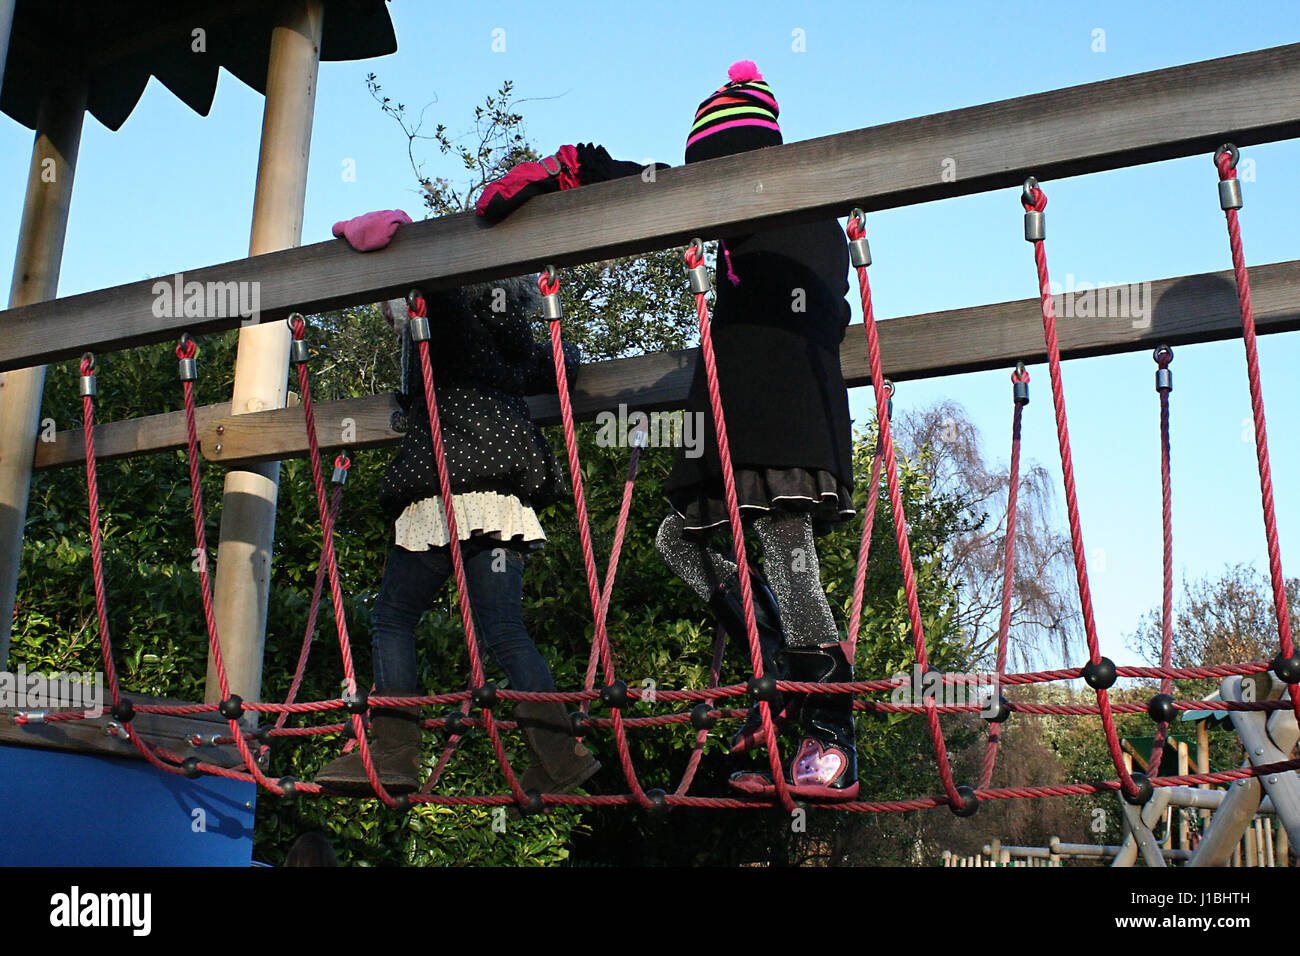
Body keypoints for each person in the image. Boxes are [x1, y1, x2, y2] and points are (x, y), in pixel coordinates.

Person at [313, 233, 598, 800]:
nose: (398, 326)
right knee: (506, 630)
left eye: (397, 315)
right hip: (502, 502)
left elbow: (441, 291)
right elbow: (563, 362)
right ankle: (561, 755)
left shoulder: (448, 328)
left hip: (446, 492)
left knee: (392, 617)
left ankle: (395, 753)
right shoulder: (512, 347)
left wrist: (410, 256)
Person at [653, 61, 860, 799]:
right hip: (738, 408)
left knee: (784, 546)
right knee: (678, 538)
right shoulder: (748, 222)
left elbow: (816, 305)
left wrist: (591, 171)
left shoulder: (792, 206)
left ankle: (832, 725)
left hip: (782, 407)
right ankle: (776, 665)